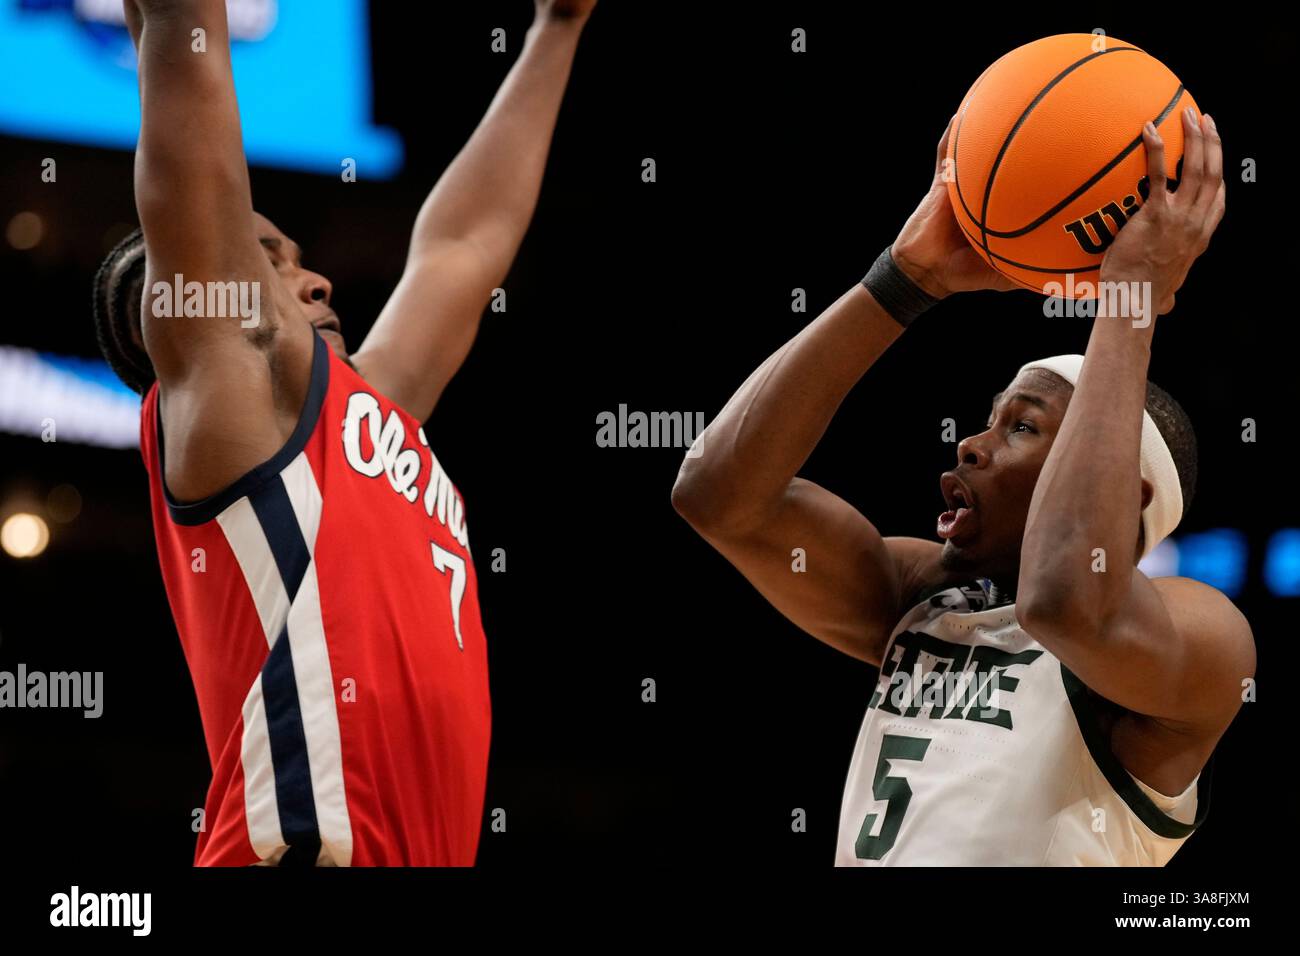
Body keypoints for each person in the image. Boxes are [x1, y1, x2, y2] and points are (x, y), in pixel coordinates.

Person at [672, 107, 1254, 865]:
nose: (970, 446)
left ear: (1132, 492)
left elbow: (1066, 604)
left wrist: (1130, 298)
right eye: (988, 420)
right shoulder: (920, 598)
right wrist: (901, 283)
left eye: (1021, 427)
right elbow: (716, 493)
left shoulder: (1203, 636)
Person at [91, 0, 598, 866]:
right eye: (266, 261)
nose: (317, 278)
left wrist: (558, 26)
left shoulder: (362, 407)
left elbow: (465, 245)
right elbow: (186, 64)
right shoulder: (233, 393)